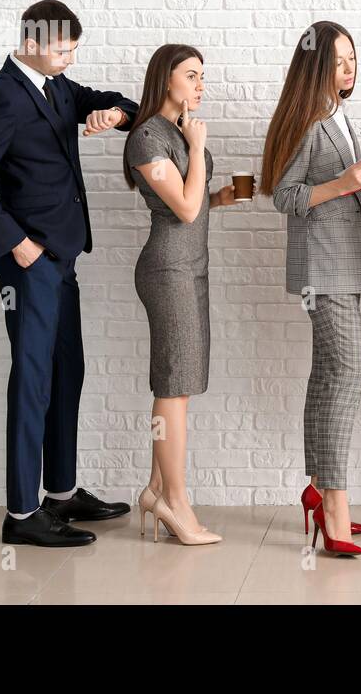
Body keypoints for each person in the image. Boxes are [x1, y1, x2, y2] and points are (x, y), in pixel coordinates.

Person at [0, 0, 137, 547]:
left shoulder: (58, 87)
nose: (70, 58)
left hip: (63, 257)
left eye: (75, 49)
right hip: (28, 263)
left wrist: (114, 115)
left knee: (66, 371)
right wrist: (16, 245)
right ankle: (22, 515)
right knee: (32, 382)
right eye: (62, 49)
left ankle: (60, 493)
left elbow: (122, 102)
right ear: (30, 42)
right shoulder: (3, 94)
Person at [262, 21, 361, 557]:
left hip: (345, 262)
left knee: (330, 372)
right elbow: (284, 195)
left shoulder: (338, 114)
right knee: (349, 370)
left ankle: (317, 488)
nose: (349, 67)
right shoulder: (307, 120)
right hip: (323, 268)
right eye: (338, 60)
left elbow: (337, 190)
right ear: (315, 66)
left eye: (353, 57)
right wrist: (344, 184)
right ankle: (334, 504)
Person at [125, 44, 239, 546]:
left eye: (202, 77)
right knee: (172, 385)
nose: (200, 85)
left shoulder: (175, 132)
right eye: (191, 75)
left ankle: (155, 490)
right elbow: (184, 211)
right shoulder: (148, 136)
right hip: (167, 268)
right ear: (164, 79)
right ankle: (175, 500)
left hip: (192, 268)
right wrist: (196, 149)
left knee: (181, 384)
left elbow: (195, 201)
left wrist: (223, 196)